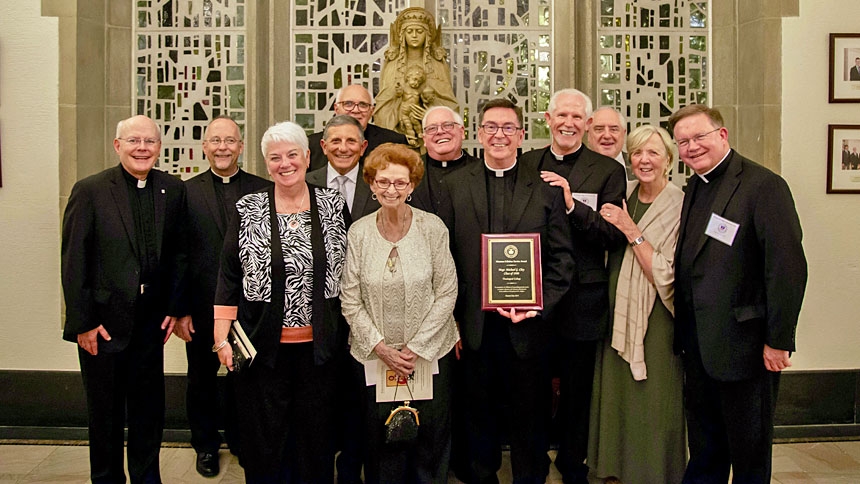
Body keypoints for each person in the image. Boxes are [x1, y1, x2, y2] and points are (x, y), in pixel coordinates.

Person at [669, 104, 808, 483]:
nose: (692, 147)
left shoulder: (764, 186)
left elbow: (787, 269)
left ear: (722, 135)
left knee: (749, 456)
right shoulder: (696, 185)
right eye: (683, 142)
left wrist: (778, 341)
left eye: (699, 137)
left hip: (746, 349)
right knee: (705, 449)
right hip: (700, 347)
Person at [438, 99, 574, 484]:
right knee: (477, 418)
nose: (499, 134)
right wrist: (452, 321)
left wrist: (537, 306)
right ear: (479, 133)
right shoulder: (454, 186)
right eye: (491, 127)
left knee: (529, 419)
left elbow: (563, 261)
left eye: (508, 127)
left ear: (520, 134)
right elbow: (443, 258)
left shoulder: (544, 188)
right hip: (473, 327)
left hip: (528, 327)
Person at [213, 121, 349, 483]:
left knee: (315, 438)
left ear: (307, 157)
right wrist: (221, 337)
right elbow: (228, 274)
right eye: (275, 158)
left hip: (320, 348)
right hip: (262, 348)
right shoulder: (249, 207)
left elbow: (350, 270)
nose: (284, 163)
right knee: (265, 440)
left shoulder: (333, 205)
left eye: (292, 155)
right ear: (265, 163)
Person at [61, 115, 187, 483]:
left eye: (149, 142)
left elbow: (179, 253)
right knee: (105, 414)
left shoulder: (172, 189)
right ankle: (106, 478)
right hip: (102, 324)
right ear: (118, 146)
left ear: (159, 148)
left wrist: (175, 308)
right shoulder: (90, 190)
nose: (142, 148)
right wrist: (82, 322)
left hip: (151, 323)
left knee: (149, 411)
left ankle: (148, 477)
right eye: (134, 141)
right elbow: (74, 260)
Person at [524, 88, 627, 483]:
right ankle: (531, 463)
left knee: (577, 390)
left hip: (583, 299)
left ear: (586, 124)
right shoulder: (527, 163)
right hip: (535, 292)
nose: (568, 124)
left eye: (576, 118)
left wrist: (571, 204)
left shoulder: (606, 171)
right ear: (547, 120)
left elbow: (611, 235)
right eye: (560, 116)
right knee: (531, 386)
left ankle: (572, 462)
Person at [340, 142, 459, 484]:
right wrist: (381, 347)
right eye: (383, 182)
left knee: (430, 443)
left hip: (430, 355)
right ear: (372, 184)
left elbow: (447, 291)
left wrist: (417, 348)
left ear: (412, 185)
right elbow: (350, 298)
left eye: (400, 183)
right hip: (375, 358)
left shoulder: (432, 228)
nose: (391, 189)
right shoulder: (359, 232)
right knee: (381, 443)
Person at [587, 125, 686, 484]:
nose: (644, 160)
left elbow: (667, 272)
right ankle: (614, 467)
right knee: (616, 392)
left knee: (652, 395)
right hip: (615, 307)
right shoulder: (622, 192)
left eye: (653, 153)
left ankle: (652, 471)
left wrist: (631, 228)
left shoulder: (680, 204)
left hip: (656, 314)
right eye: (637, 153)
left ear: (669, 160)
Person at [175, 116, 271, 476]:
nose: (222, 148)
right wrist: (181, 310)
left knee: (244, 379)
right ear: (204, 146)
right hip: (201, 307)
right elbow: (179, 254)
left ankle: (244, 440)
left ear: (241, 147)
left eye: (230, 141)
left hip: (250, 308)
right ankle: (205, 446)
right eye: (215, 141)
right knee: (200, 378)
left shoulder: (262, 189)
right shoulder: (185, 191)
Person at [374, 7, 458, 140]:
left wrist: (430, 115)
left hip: (432, 136)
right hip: (397, 132)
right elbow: (383, 105)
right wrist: (400, 112)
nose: (414, 35)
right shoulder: (393, 63)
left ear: (428, 35)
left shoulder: (437, 65)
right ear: (402, 35)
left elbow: (450, 104)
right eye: (409, 31)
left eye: (419, 31)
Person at [308, 85, 408, 172]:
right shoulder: (311, 145)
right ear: (336, 108)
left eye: (363, 105)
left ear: (371, 110)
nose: (356, 110)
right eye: (348, 104)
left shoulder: (393, 143)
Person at [306, 114, 380, 222]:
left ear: (363, 147)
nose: (343, 148)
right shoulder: (305, 183)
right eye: (336, 141)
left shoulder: (378, 183)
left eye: (351, 141)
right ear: (324, 147)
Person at [409, 106, 479, 214]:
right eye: (432, 128)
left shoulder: (481, 171)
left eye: (447, 125)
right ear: (424, 140)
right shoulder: (409, 171)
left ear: (462, 132)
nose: (440, 131)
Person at [586, 106, 633, 181]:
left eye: (614, 129)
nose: (607, 136)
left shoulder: (637, 166)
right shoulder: (576, 167)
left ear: (623, 134)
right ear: (588, 134)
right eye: (599, 129)